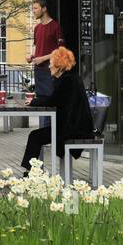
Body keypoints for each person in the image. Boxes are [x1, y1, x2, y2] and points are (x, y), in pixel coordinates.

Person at [21, 46, 94, 175]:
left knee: (35, 136)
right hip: (76, 126)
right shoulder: (71, 78)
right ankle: (31, 171)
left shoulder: (66, 81)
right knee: (36, 136)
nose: (49, 67)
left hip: (73, 130)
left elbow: (52, 101)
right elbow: (55, 100)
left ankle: (31, 172)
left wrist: (33, 102)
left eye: (51, 64)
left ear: (59, 65)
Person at [28, 0, 65, 99]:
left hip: (51, 71)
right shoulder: (37, 28)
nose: (33, 11)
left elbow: (61, 51)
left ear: (44, 9)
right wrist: (32, 56)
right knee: (40, 103)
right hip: (38, 71)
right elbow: (37, 46)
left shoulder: (55, 27)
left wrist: (42, 58)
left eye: (35, 8)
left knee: (51, 103)